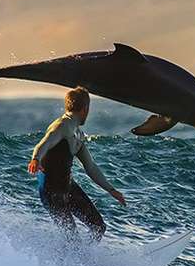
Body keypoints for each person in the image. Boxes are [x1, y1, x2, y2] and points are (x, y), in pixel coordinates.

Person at [28, 87, 126, 240]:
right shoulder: (62, 125)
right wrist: (36, 158)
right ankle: (65, 262)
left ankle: (86, 258)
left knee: (98, 227)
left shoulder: (78, 134)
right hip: (50, 190)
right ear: (85, 109)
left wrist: (111, 190)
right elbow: (44, 143)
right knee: (71, 237)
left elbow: (90, 167)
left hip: (67, 187)